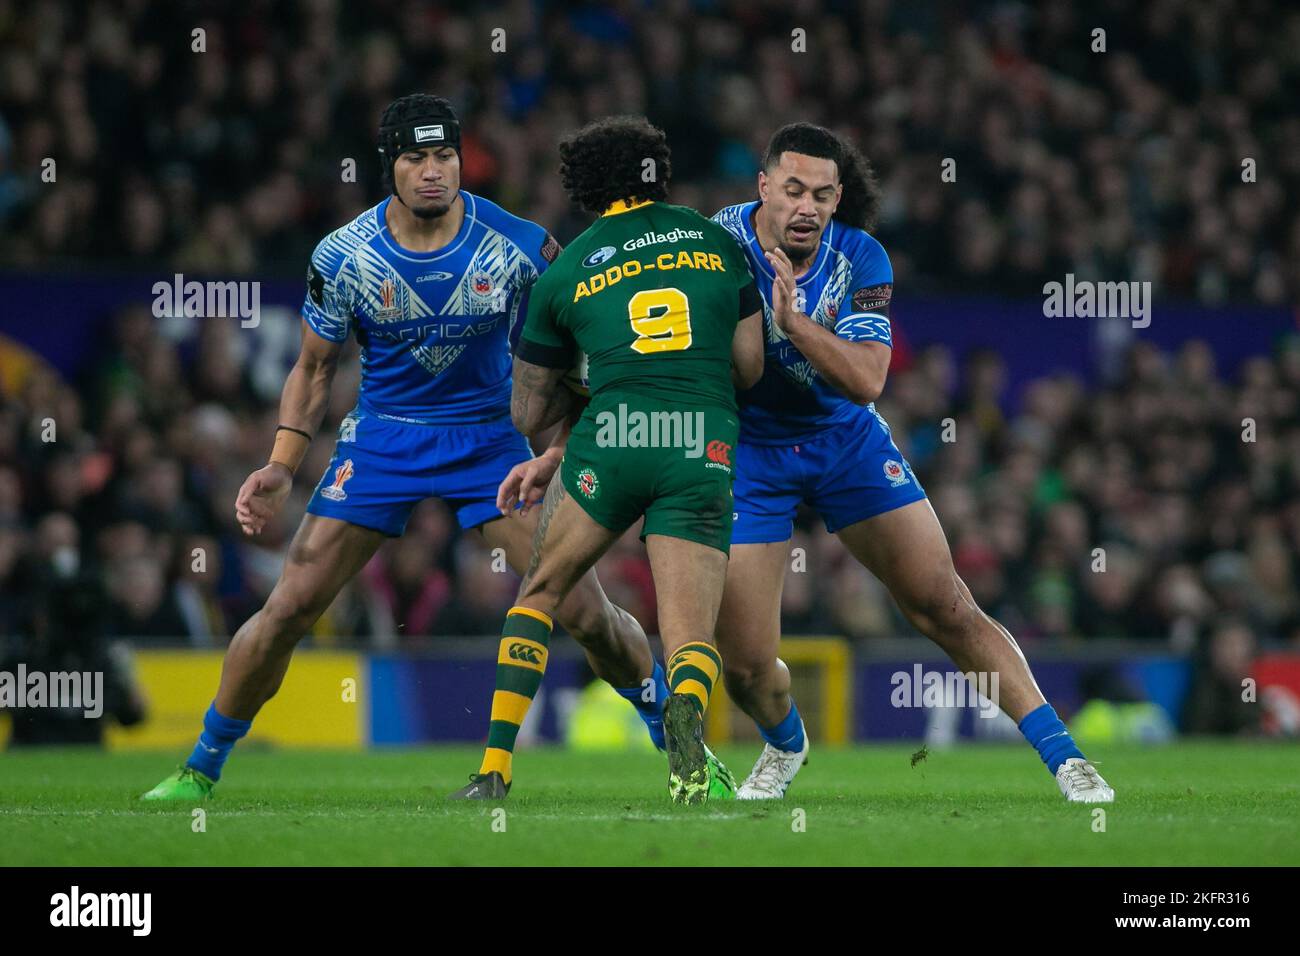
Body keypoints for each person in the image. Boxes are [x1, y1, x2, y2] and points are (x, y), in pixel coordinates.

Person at [142, 95, 662, 801]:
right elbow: (314, 369)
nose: (432, 171)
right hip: (384, 439)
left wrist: (577, 435)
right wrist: (281, 466)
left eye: (444, 155)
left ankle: (676, 738)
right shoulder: (344, 255)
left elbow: (586, 341)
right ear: (390, 165)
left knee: (585, 613)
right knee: (290, 606)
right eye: (416, 158)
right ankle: (199, 768)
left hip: (489, 441)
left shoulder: (518, 243)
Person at [710, 123, 1114, 802]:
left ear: (838, 199)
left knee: (944, 604)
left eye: (821, 195)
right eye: (793, 190)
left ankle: (1067, 757)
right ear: (763, 187)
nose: (806, 207)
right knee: (746, 665)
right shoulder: (716, 242)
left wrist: (795, 324)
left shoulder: (860, 256)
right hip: (751, 452)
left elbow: (869, 380)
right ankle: (785, 743)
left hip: (845, 442)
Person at [455, 116, 764, 802]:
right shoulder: (717, 241)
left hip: (614, 438)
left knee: (541, 593)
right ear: (659, 170)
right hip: (700, 441)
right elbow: (749, 366)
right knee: (688, 636)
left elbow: (526, 414)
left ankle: (495, 768)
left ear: (586, 185)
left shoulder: (567, 269)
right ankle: (687, 737)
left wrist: (582, 378)